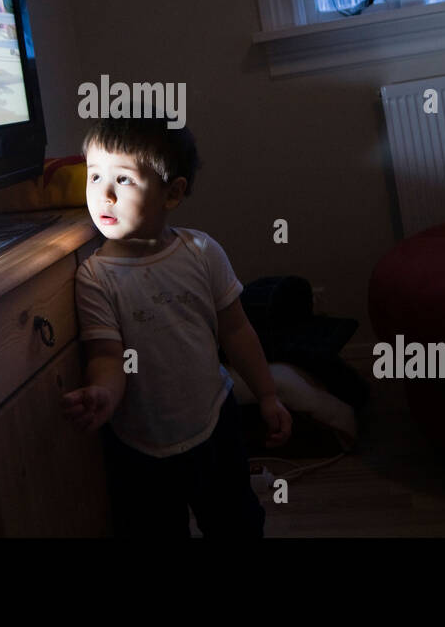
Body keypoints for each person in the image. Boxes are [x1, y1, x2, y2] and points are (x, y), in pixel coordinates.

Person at [61, 118, 292, 536]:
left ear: (173, 193)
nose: (105, 194)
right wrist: (103, 394)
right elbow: (108, 357)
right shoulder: (94, 276)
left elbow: (236, 330)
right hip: (138, 441)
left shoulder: (201, 252)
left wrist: (268, 394)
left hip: (213, 423)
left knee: (235, 521)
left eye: (124, 180)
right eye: (95, 176)